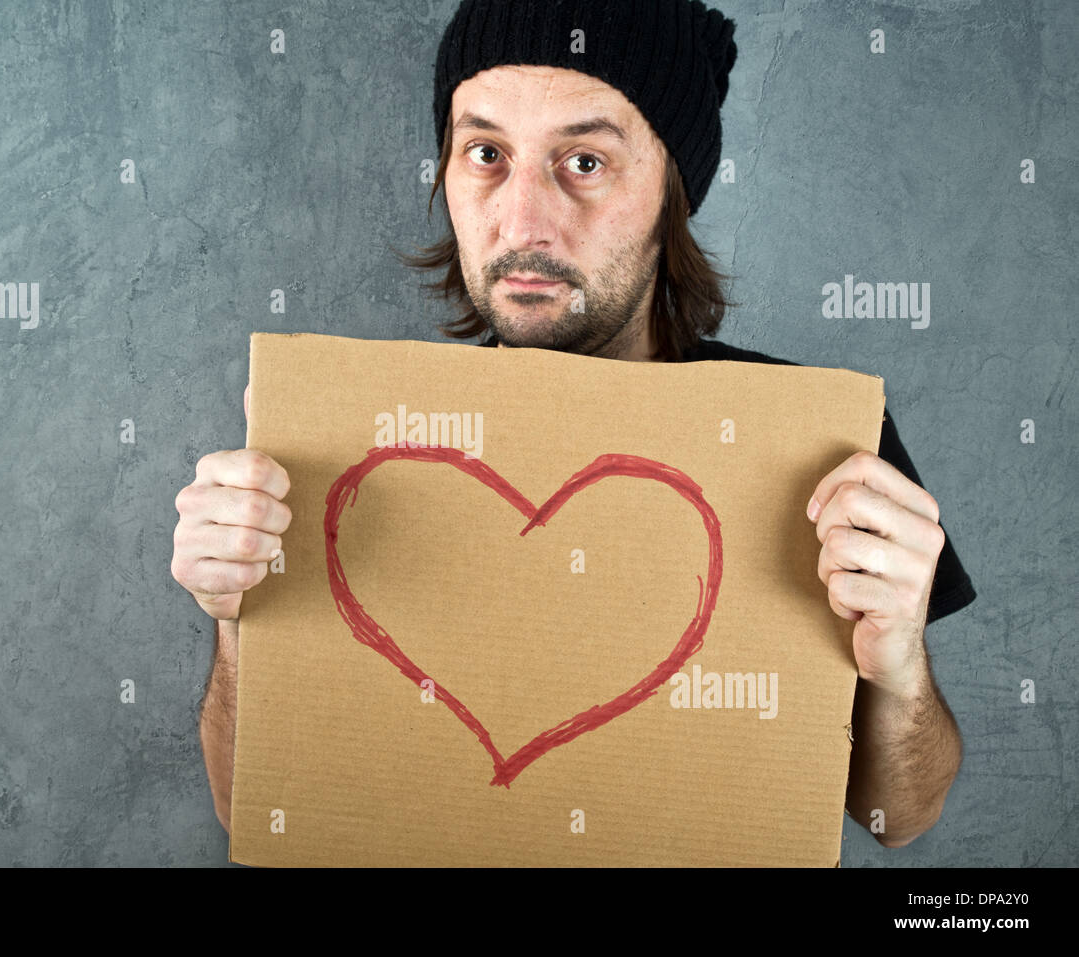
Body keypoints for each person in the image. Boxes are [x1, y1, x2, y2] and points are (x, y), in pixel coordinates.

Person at [172, 0, 975, 851]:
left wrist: (900, 667)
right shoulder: (346, 442)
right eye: (485, 154)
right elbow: (245, 805)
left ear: (673, 189)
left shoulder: (818, 446)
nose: (522, 223)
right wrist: (235, 619)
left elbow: (902, 816)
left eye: (584, 161)